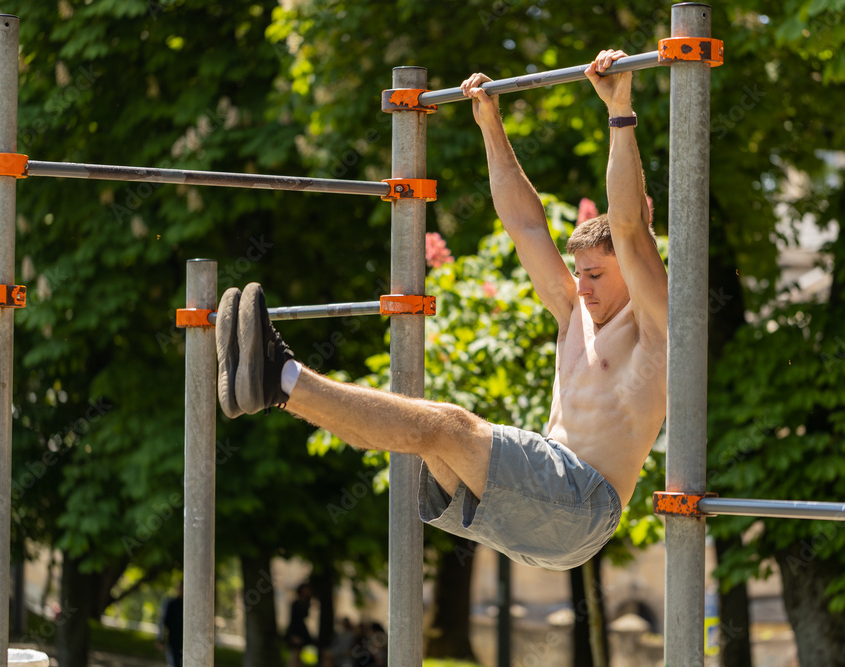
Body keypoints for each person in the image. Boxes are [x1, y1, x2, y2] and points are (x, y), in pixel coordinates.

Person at [215, 50, 667, 571]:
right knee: (423, 435)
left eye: (596, 275)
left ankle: (282, 375)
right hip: (539, 508)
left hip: (583, 502)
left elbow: (631, 228)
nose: (582, 287)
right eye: (578, 273)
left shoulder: (652, 326)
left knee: (450, 426)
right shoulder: (572, 315)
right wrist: (490, 124)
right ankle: (276, 389)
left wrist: (620, 113)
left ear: (629, 274)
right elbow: (525, 226)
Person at [284, 583, 315, 666]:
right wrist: (294, 634)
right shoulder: (297, 604)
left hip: (301, 631)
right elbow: (294, 620)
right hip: (296, 631)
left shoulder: (305, 603)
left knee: (298, 656)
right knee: (295, 655)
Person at [156, 582, 184, 667]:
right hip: (173, 641)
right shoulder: (171, 604)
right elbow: (162, 621)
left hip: (185, 641)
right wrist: (160, 638)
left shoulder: (190, 606)